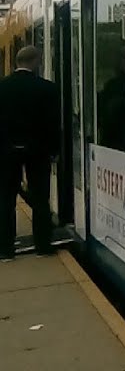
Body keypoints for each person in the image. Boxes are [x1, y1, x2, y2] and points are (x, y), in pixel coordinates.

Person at [0, 45, 61, 259]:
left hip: (6, 152)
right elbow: (54, 124)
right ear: (35, 62)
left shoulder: (2, 87)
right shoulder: (48, 89)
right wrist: (55, 150)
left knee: (6, 199)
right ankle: (43, 246)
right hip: (38, 151)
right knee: (40, 198)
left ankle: (5, 250)